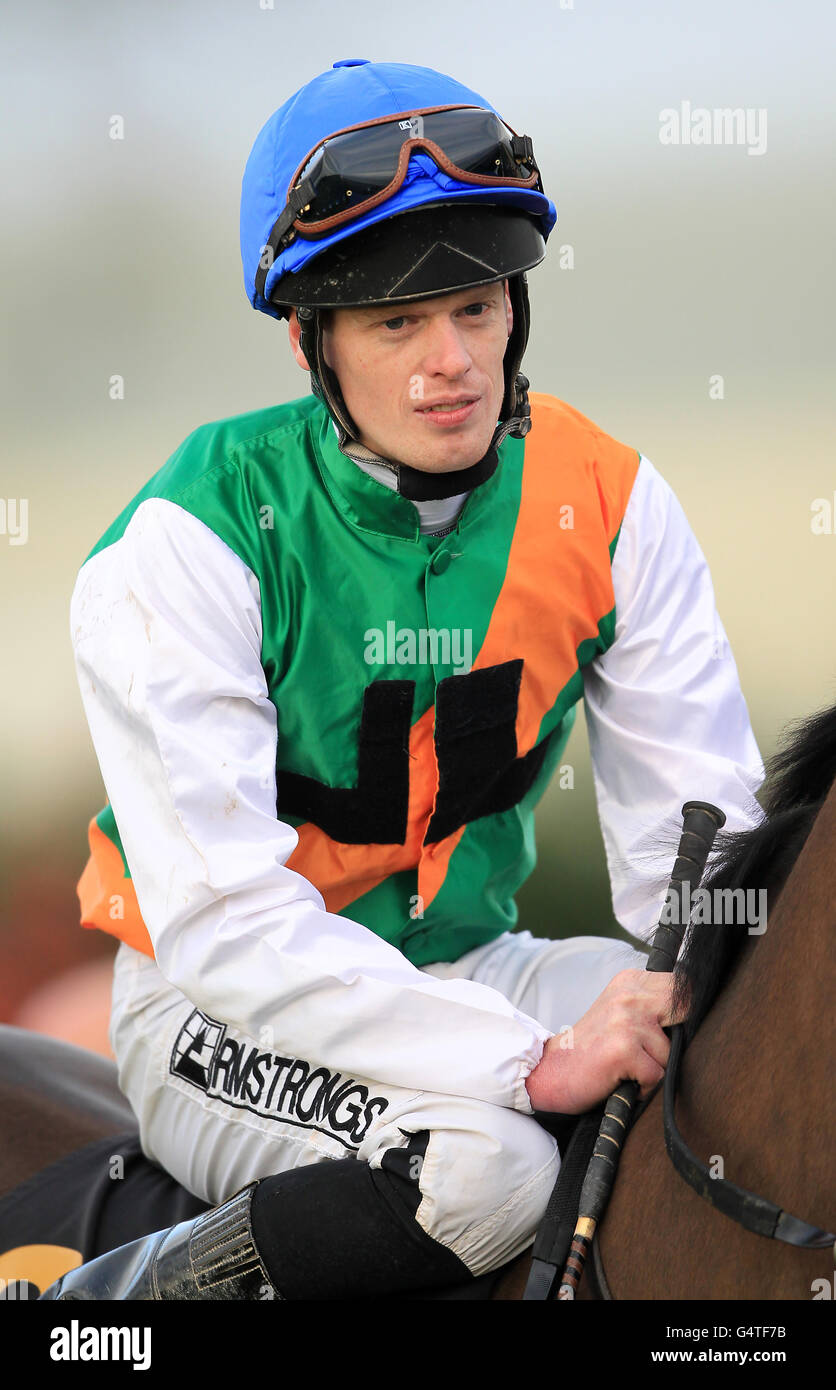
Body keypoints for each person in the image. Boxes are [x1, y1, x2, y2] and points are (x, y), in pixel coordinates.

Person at [42, 59, 765, 1300]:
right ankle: (92, 1306)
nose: (451, 362)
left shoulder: (611, 504)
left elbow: (693, 862)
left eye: (476, 309)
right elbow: (227, 928)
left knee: (723, 1062)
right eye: (395, 322)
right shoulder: (190, 538)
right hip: (219, 1011)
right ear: (307, 339)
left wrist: (702, 1001)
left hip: (479, 962)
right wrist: (530, 1059)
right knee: (488, 1168)